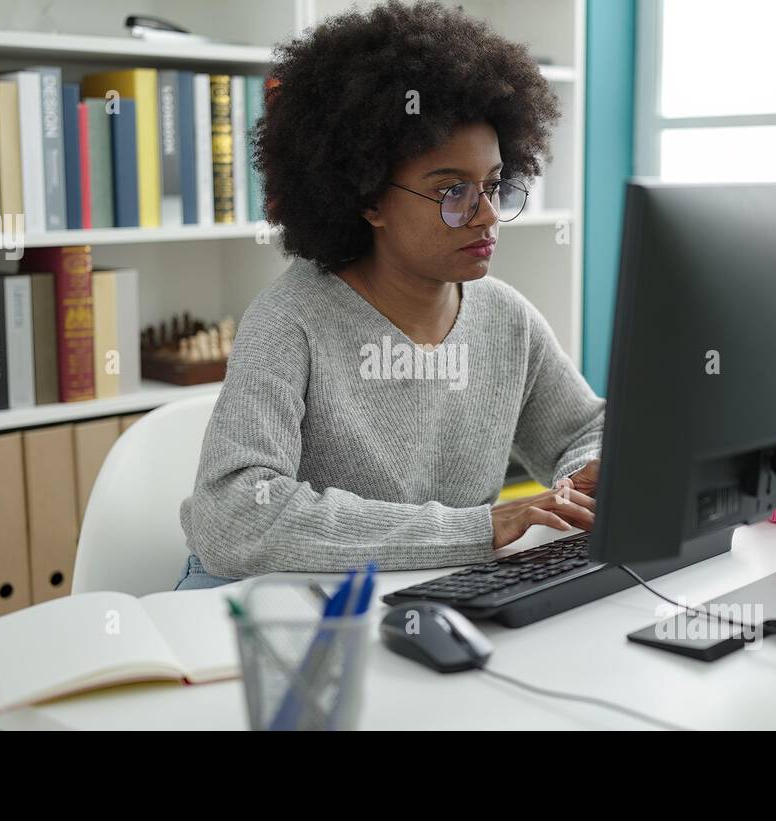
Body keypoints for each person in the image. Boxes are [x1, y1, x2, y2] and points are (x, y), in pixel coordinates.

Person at [176, 0, 604, 589]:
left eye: (494, 186)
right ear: (368, 199)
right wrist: (476, 529)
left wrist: (585, 476)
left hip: (425, 591)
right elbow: (236, 515)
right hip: (275, 605)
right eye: (452, 191)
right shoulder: (289, 321)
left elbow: (585, 429)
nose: (486, 216)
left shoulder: (506, 318)